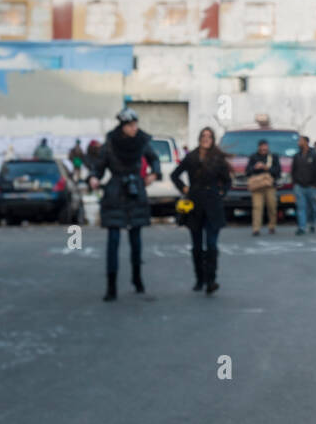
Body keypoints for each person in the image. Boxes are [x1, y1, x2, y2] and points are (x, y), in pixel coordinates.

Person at [88, 108, 161, 301]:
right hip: (115, 192)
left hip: (136, 190)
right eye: (130, 125)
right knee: (113, 240)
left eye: (135, 124)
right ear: (122, 126)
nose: (134, 128)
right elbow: (99, 166)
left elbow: (154, 159)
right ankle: (111, 286)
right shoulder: (110, 143)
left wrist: (154, 174)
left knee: (136, 241)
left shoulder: (142, 141)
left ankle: (137, 278)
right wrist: (94, 177)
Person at [171, 127, 231, 294]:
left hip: (213, 205)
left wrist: (221, 193)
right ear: (199, 138)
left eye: (209, 136)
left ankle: (211, 280)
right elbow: (175, 175)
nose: (206, 139)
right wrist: (183, 188)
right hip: (195, 205)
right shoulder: (191, 157)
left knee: (211, 245)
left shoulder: (218, 158)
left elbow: (227, 181)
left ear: (213, 139)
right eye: (203, 136)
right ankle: (199, 278)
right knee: (197, 246)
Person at [245, 138, 280, 237]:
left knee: (272, 207)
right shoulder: (253, 157)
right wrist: (255, 167)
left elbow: (278, 171)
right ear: (259, 147)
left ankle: (272, 226)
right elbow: (247, 171)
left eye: (265, 147)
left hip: (269, 186)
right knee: (257, 207)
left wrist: (266, 167)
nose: (264, 148)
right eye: (262, 147)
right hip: (257, 186)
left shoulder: (273, 157)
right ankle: (256, 228)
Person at [291, 135, 316, 234]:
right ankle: (302, 227)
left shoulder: (314, 154)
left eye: (301, 141)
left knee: (312, 206)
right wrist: (295, 183)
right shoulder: (297, 155)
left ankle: (312, 223)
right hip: (299, 186)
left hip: (311, 186)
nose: (299, 142)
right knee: (301, 207)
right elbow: (293, 171)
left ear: (306, 142)